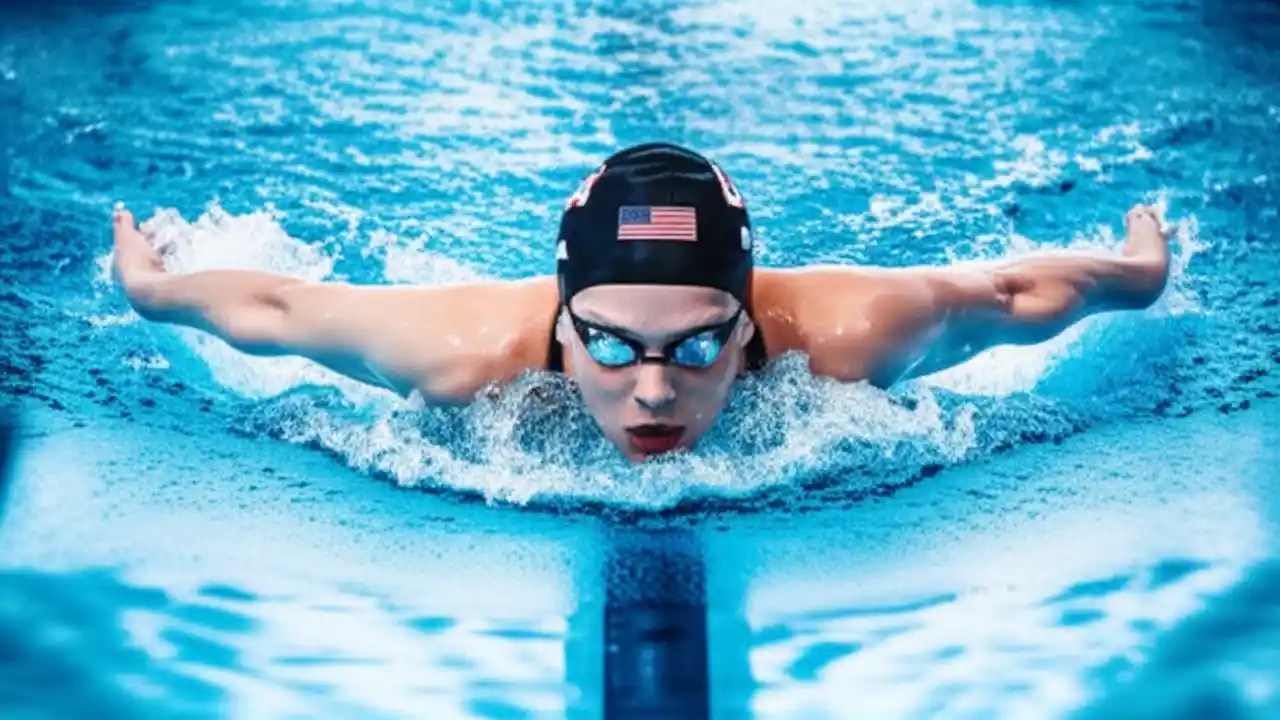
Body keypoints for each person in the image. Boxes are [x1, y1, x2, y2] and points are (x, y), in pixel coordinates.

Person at [111, 143, 1171, 461]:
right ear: (562, 323)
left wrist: (1139, 272)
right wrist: (157, 293)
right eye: (610, 351)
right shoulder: (464, 352)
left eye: (699, 346)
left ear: (750, 321)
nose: (653, 392)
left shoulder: (849, 333)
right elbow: (284, 310)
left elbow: (1014, 290)